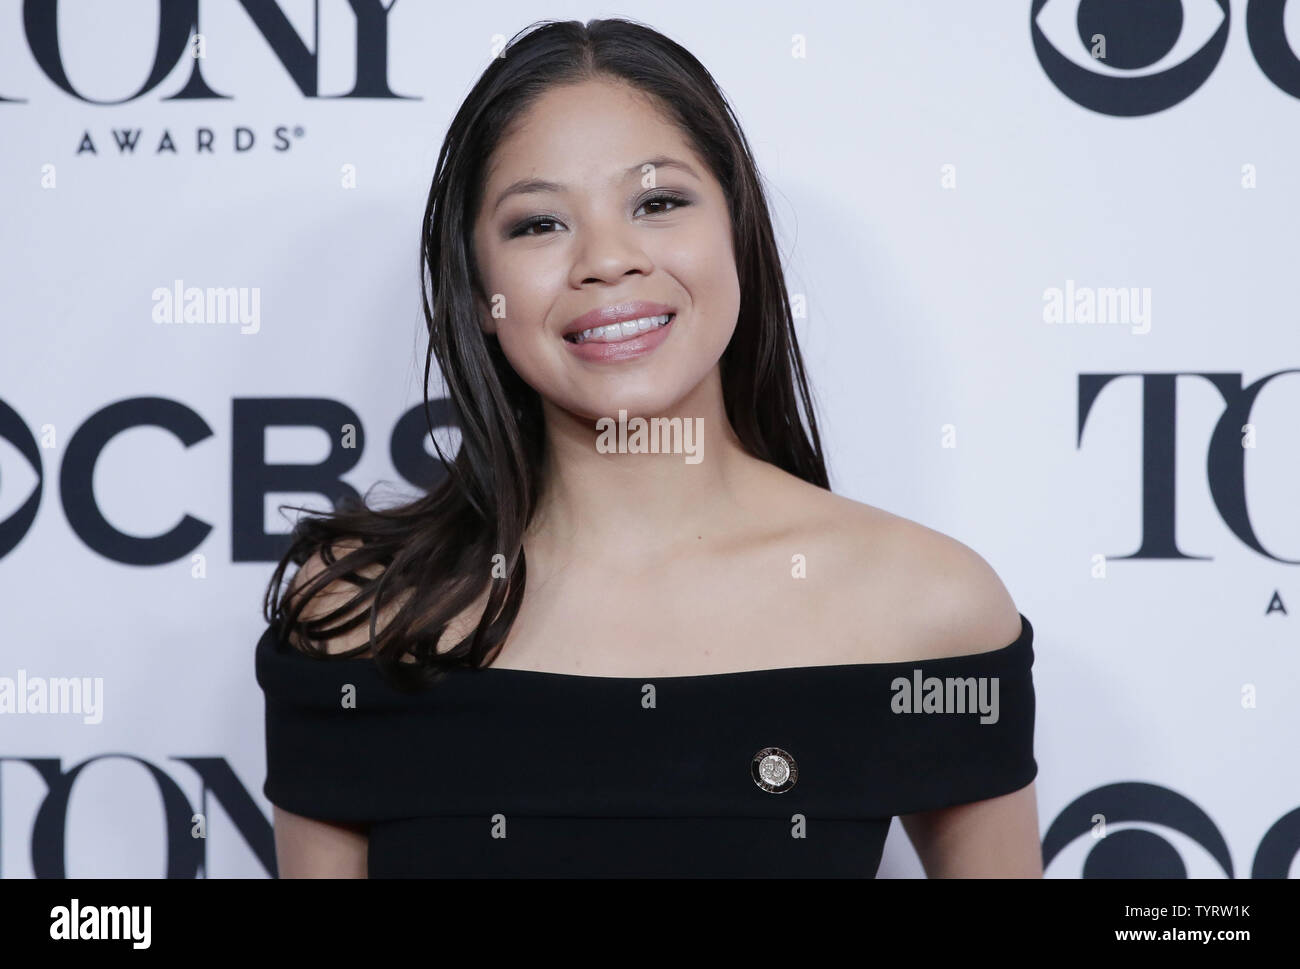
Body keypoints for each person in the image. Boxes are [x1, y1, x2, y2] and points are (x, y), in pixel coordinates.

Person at [255, 17, 1042, 878]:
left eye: (658, 202)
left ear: (737, 231)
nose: (608, 259)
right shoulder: (360, 615)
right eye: (538, 224)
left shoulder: (928, 606)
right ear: (482, 292)